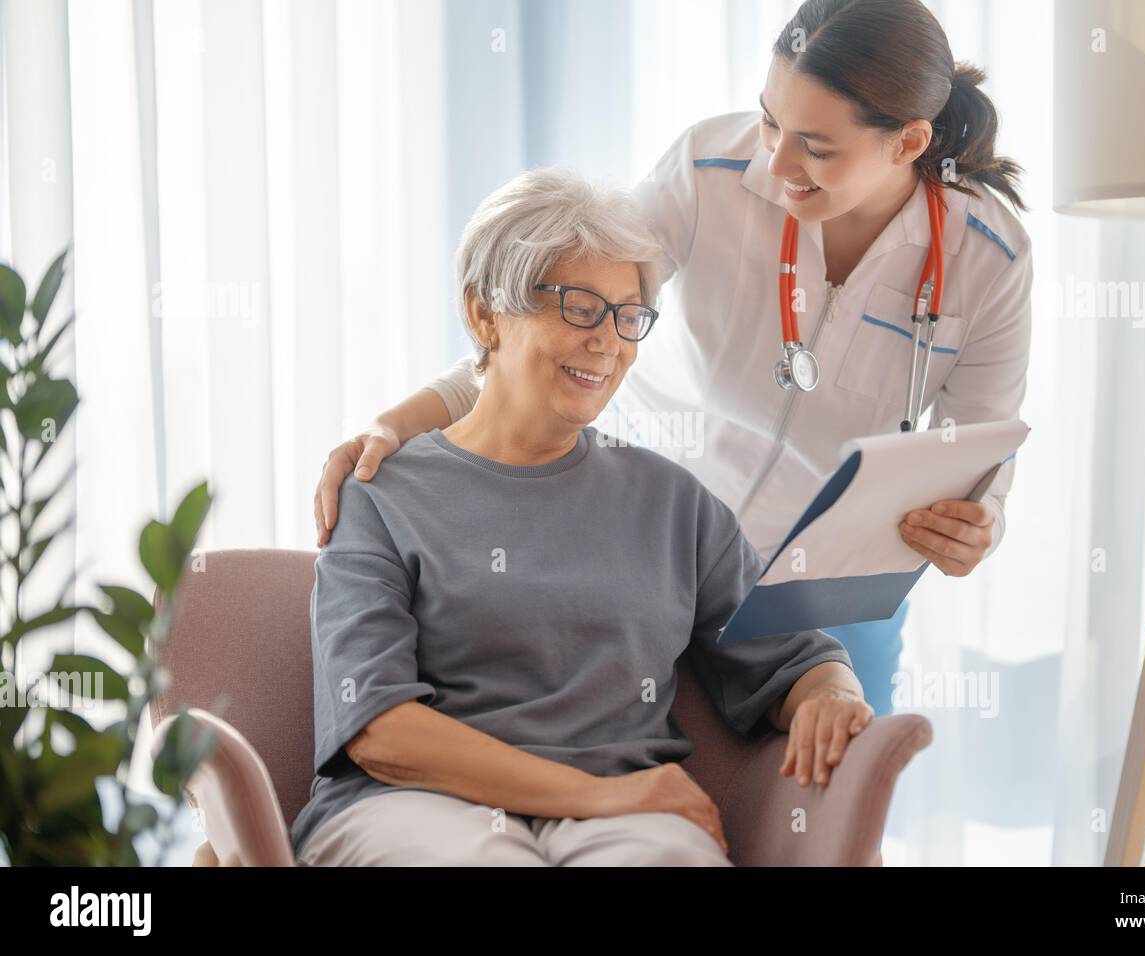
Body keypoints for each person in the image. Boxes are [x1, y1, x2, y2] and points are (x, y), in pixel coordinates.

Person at [313, 0, 1033, 718]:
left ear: (907, 143)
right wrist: (397, 424)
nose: (776, 161)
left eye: (815, 147)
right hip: (646, 546)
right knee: (633, 768)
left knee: (836, 802)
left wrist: (978, 523)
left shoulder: (988, 257)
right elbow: (557, 321)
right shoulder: (709, 169)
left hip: (828, 583)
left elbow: (976, 449)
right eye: (770, 119)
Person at [292, 167, 868, 867]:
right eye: (578, 306)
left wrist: (831, 692)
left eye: (629, 315)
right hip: (413, 808)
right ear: (484, 315)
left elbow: (795, 659)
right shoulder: (380, 494)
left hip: (625, 819)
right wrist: (593, 796)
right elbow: (379, 729)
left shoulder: (672, 505)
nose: (609, 342)